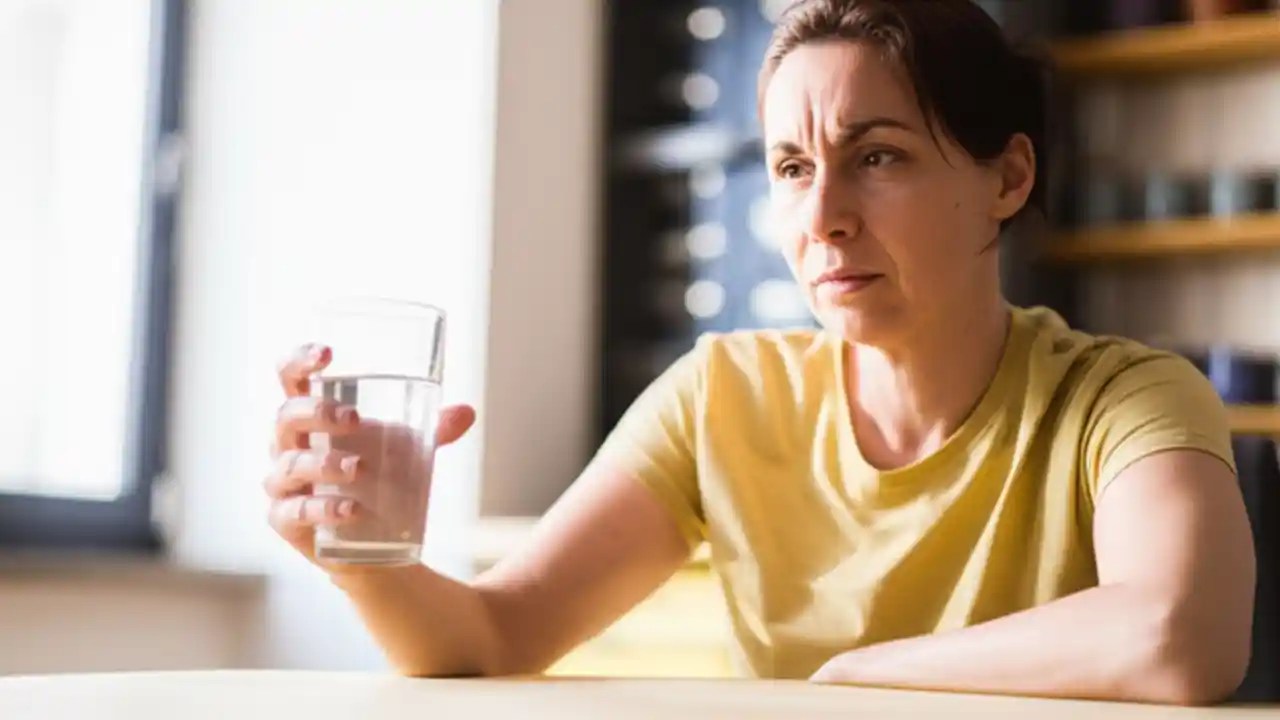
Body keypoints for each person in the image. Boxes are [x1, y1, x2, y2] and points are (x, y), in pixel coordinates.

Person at [264, 0, 1255, 705]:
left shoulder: (1129, 399)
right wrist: (365, 558)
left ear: (1006, 178)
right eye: (790, 167)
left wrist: (857, 676)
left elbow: (1178, 637)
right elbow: (492, 638)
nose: (820, 218)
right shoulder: (720, 396)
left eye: (876, 157)